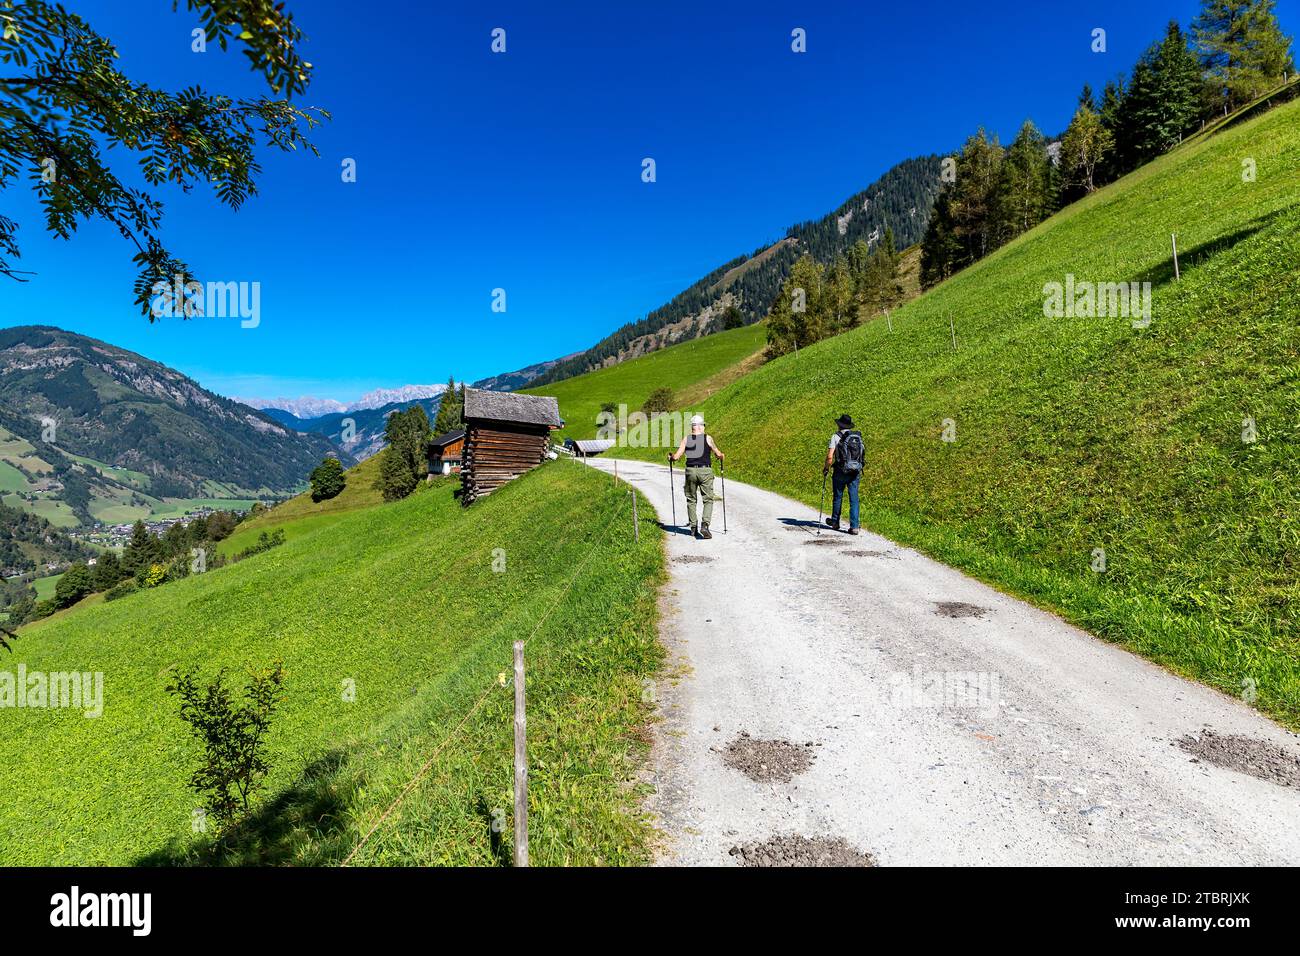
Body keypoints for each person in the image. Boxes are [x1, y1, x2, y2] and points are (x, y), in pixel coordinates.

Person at [668, 414, 725, 539]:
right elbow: (718, 453)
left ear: (692, 427)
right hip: (705, 471)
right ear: (699, 426)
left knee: (691, 499)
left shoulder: (686, 439)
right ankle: (705, 525)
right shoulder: (708, 438)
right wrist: (721, 456)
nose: (704, 427)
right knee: (708, 499)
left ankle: (693, 527)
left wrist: (670, 457)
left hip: (690, 472)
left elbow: (676, 457)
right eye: (703, 425)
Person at [823, 413, 863, 535]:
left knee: (838, 496)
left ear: (839, 425)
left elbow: (830, 457)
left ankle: (835, 522)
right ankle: (854, 526)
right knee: (854, 499)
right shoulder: (856, 437)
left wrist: (826, 468)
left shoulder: (836, 436)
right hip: (855, 471)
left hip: (840, 471)